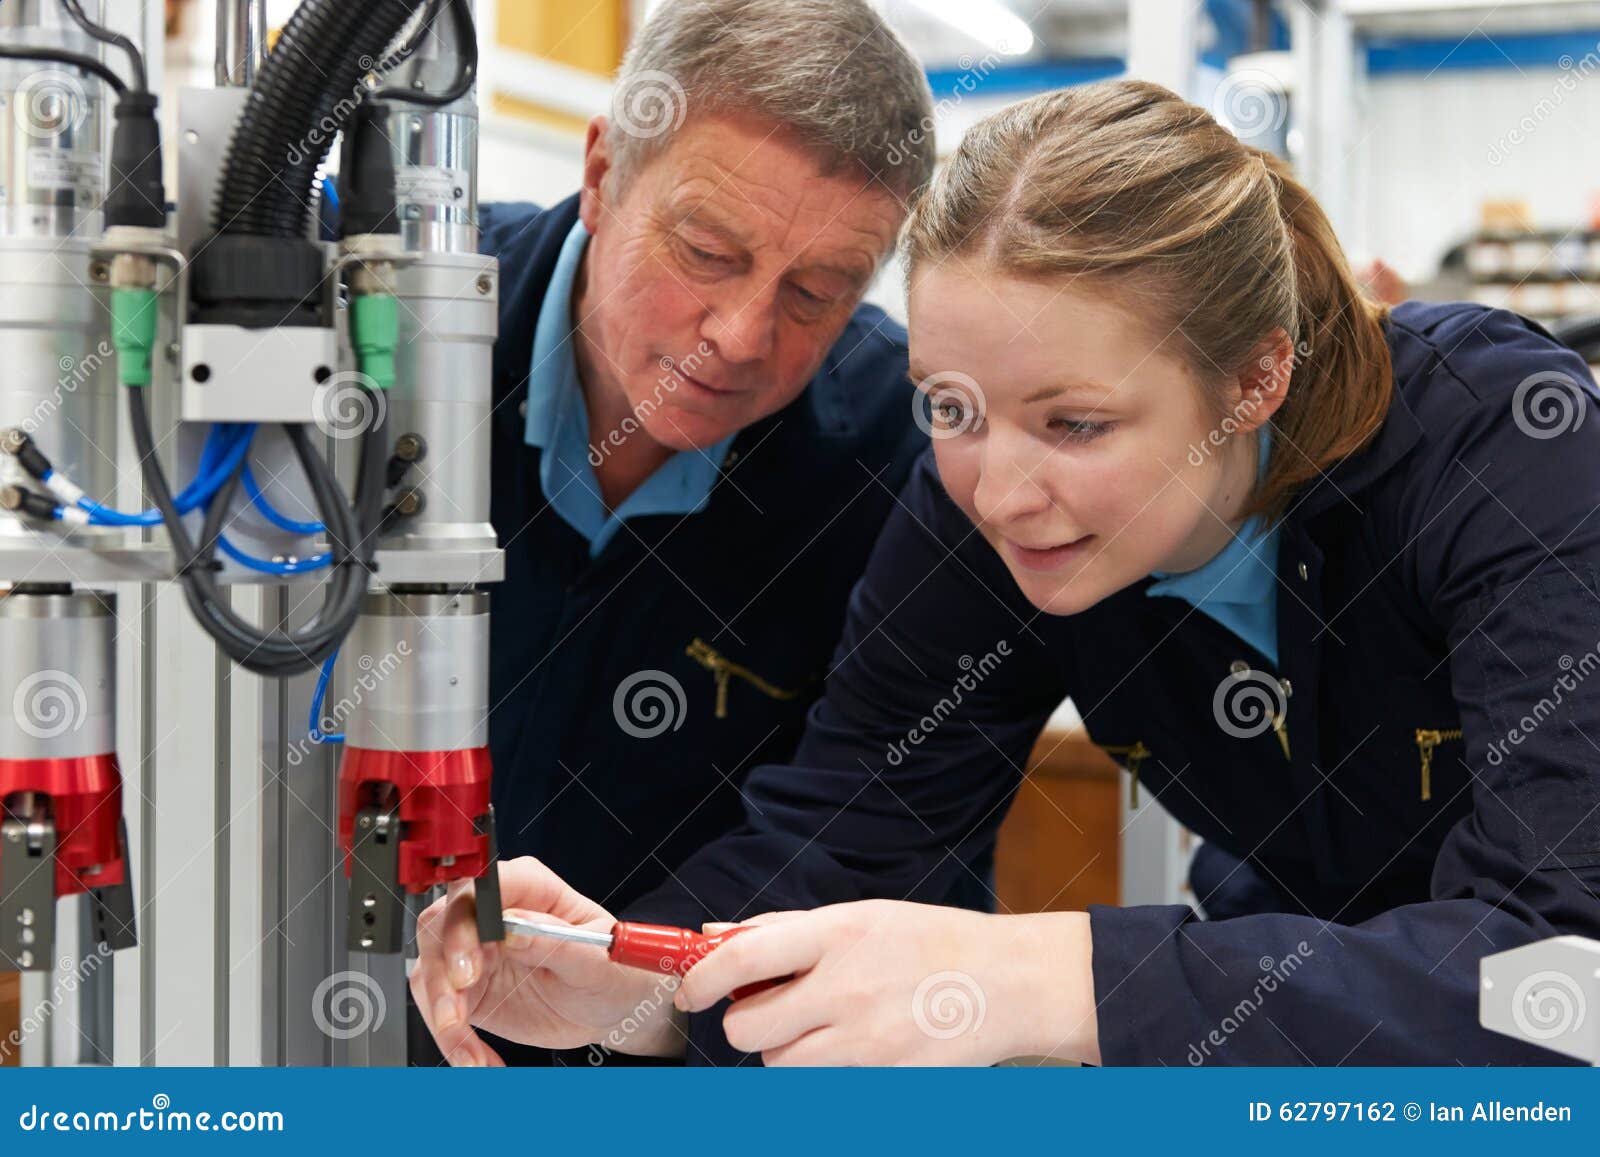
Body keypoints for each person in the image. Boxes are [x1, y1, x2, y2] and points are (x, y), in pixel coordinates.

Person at [415, 80, 1600, 1067]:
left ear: (1253, 380)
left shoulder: (1505, 447)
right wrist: (641, 978)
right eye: (949, 407)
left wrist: (1052, 976)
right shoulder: (983, 498)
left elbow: (1562, 982)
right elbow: (849, 831)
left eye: (1075, 423)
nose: (998, 491)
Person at [451, 0, 979, 1065]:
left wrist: (643, 994)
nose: (741, 336)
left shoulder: (908, 458)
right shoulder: (406, 326)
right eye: (705, 252)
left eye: (816, 293)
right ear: (603, 174)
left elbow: (874, 829)